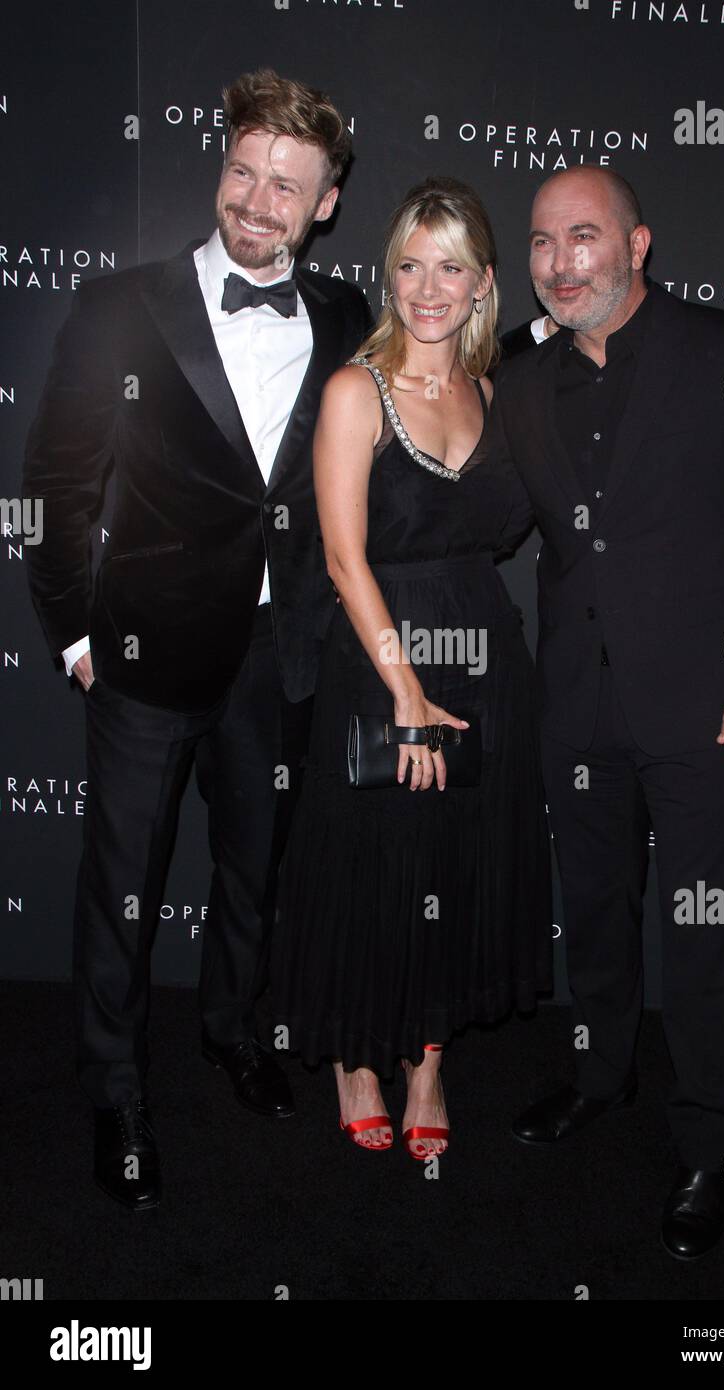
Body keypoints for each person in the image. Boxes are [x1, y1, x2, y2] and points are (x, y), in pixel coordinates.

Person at [21, 69, 370, 1211]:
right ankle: (115, 1089)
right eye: (243, 172)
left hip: (279, 658)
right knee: (123, 884)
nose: (257, 201)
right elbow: (56, 479)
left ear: (323, 205)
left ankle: (232, 1032)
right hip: (144, 652)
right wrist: (76, 632)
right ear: (220, 170)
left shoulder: (342, 316)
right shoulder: (125, 302)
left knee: (251, 873)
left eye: (286, 185)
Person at [492, 165, 724, 1256]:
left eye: (581, 237)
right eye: (539, 243)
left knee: (704, 938)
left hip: (703, 713)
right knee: (591, 914)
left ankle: (705, 1143)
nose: (558, 261)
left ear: (637, 245)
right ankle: (597, 1073)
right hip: (576, 709)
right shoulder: (524, 381)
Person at [270, 176, 552, 1158]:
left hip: (481, 653)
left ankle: (426, 1062)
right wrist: (405, 693)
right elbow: (343, 557)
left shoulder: (492, 393)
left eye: (451, 266)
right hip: (379, 652)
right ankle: (356, 1053)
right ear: (386, 274)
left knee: (455, 861)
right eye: (409, 263)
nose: (428, 286)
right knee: (373, 861)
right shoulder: (358, 389)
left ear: (482, 283)